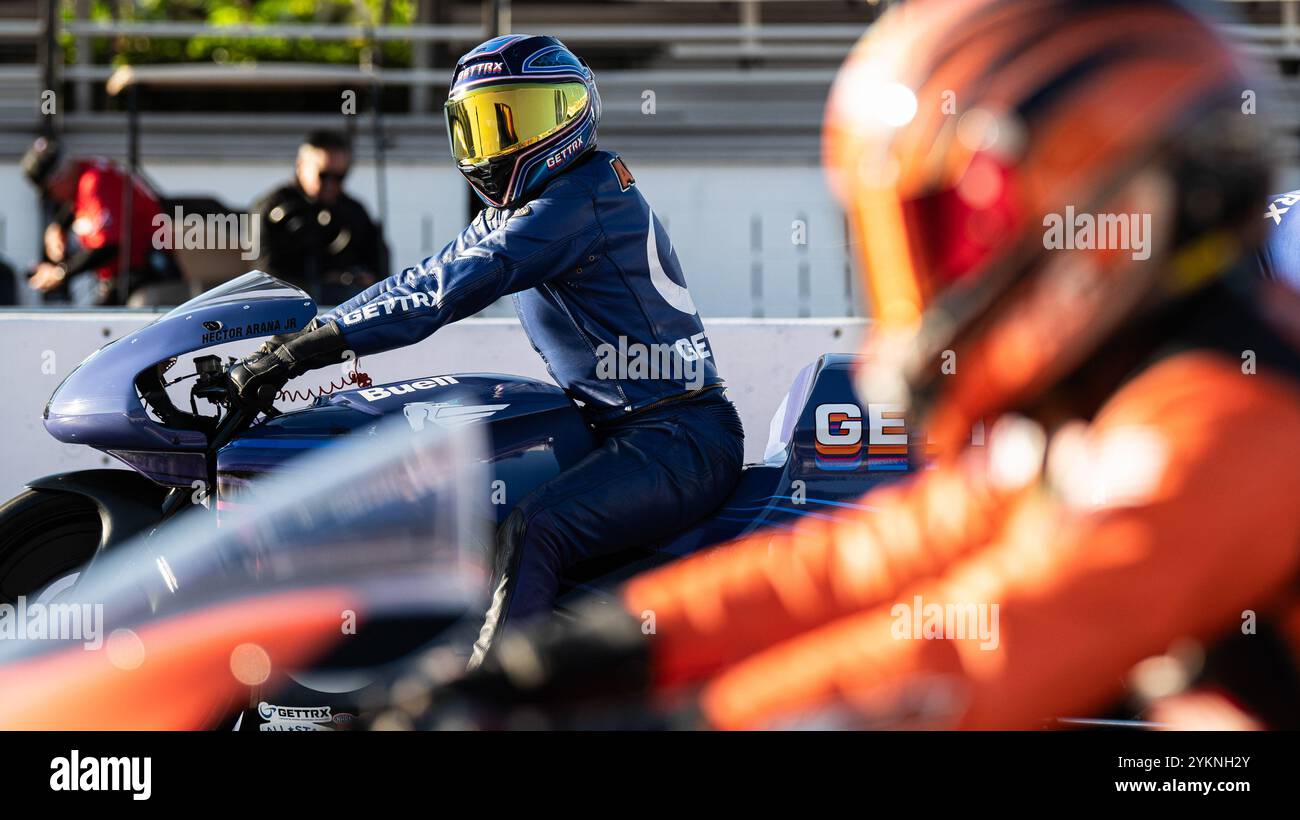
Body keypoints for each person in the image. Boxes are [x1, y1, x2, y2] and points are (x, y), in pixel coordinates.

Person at [373, 0, 1300, 730]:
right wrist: (567, 663)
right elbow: (858, 564)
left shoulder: (1229, 427)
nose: (925, 283)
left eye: (949, 229)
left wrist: (674, 719)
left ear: (1105, 215)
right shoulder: (1122, 415)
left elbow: (964, 662)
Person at [228, 35, 745, 666]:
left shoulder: (574, 200)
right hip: (622, 425)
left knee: (536, 527)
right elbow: (426, 275)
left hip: (675, 436)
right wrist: (312, 333)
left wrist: (300, 353)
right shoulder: (538, 202)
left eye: (519, 119)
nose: (501, 144)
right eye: (484, 124)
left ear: (569, 116)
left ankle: (486, 703)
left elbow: (449, 292)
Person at [22, 137, 180, 306]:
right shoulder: (85, 173)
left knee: (90, 327)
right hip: (126, 275)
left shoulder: (95, 182)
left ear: (58, 178)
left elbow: (110, 245)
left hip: (146, 274)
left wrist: (60, 273)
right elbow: (76, 205)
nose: (53, 199)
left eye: (49, 192)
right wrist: (57, 227)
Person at [251, 130, 388, 305]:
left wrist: (360, 278)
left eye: (339, 177)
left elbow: (379, 269)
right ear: (300, 167)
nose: (331, 185)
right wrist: (320, 280)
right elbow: (262, 273)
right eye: (323, 176)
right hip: (287, 307)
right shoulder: (269, 209)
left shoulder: (354, 211)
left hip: (345, 309)